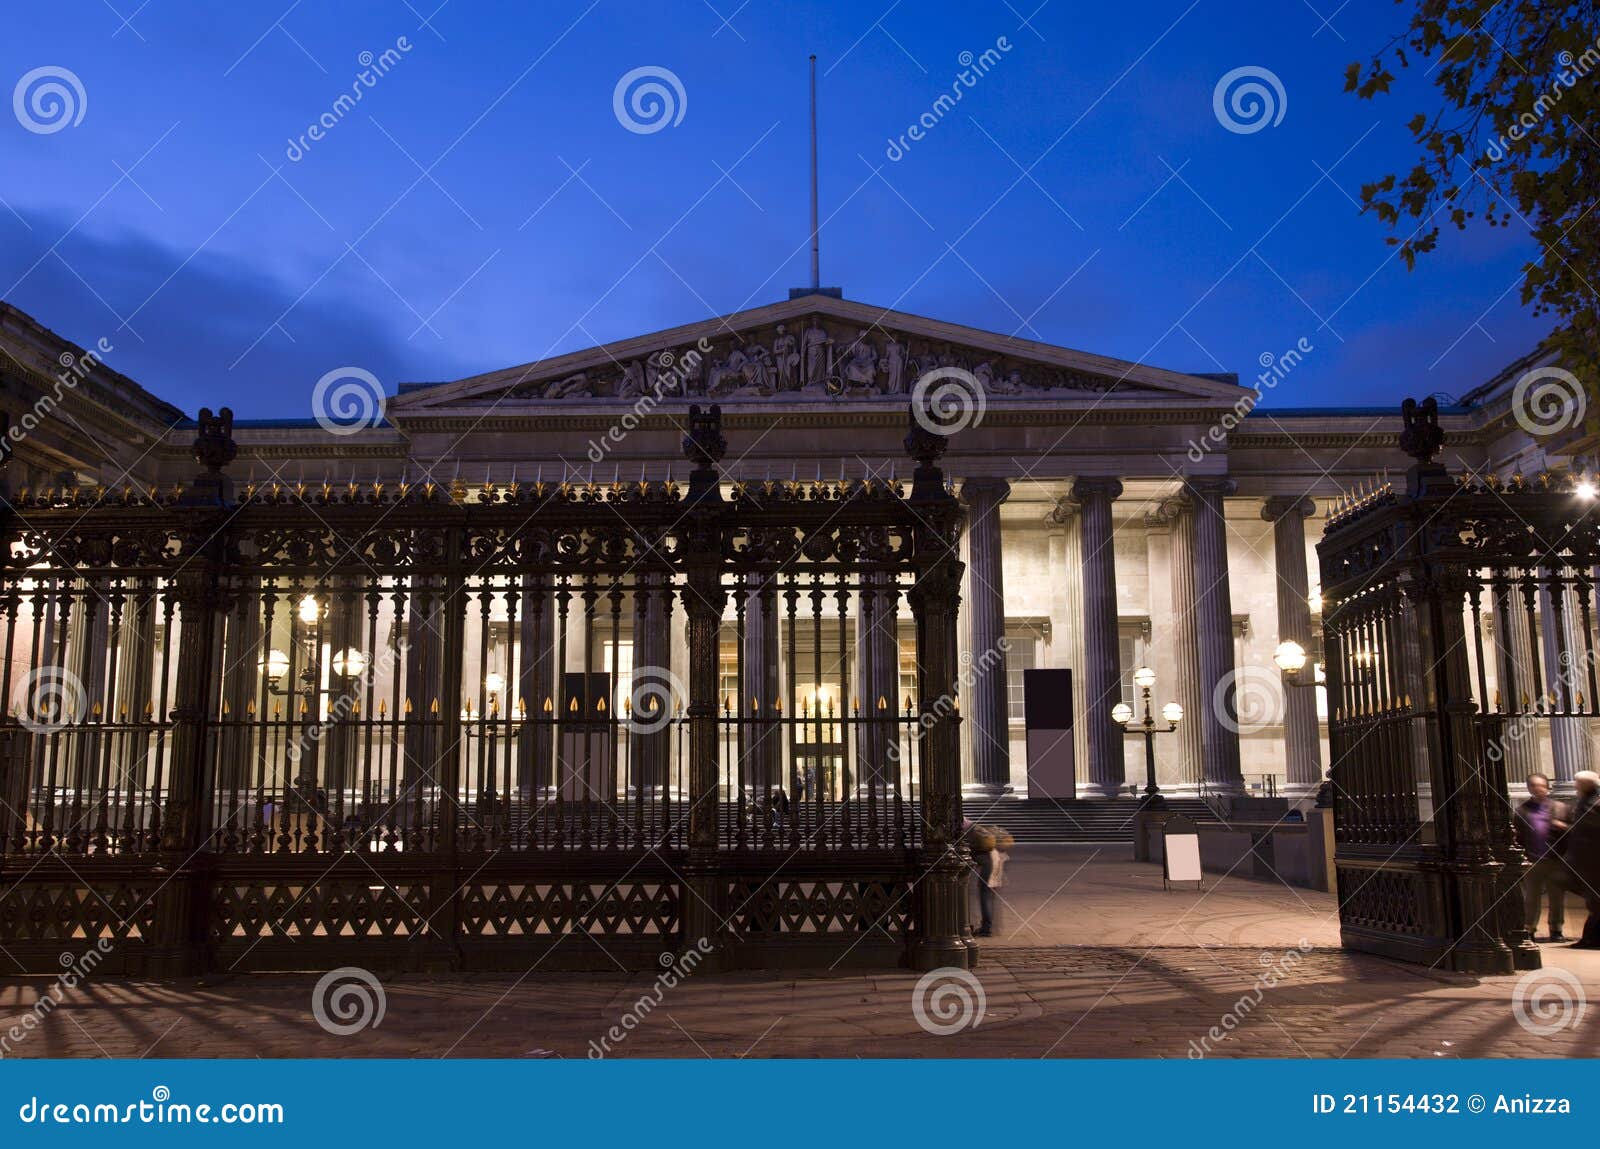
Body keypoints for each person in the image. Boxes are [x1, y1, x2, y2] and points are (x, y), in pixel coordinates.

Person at [1515, 773, 1570, 941]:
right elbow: (1518, 836)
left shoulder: (1561, 808)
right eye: (1534, 786)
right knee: (1531, 897)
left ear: (1547, 787)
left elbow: (1574, 832)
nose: (1538, 789)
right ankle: (1529, 928)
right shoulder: (1522, 811)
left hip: (1555, 859)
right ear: (1530, 788)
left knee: (1557, 896)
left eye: (1541, 786)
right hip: (1532, 859)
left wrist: (1564, 827)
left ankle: (1556, 929)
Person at [1563, 770, 1600, 949]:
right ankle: (1591, 939)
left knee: (1595, 903)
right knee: (1594, 903)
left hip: (1592, 863)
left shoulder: (1593, 803)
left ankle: (1591, 939)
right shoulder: (1585, 802)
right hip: (1586, 862)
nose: (1575, 786)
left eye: (1577, 783)